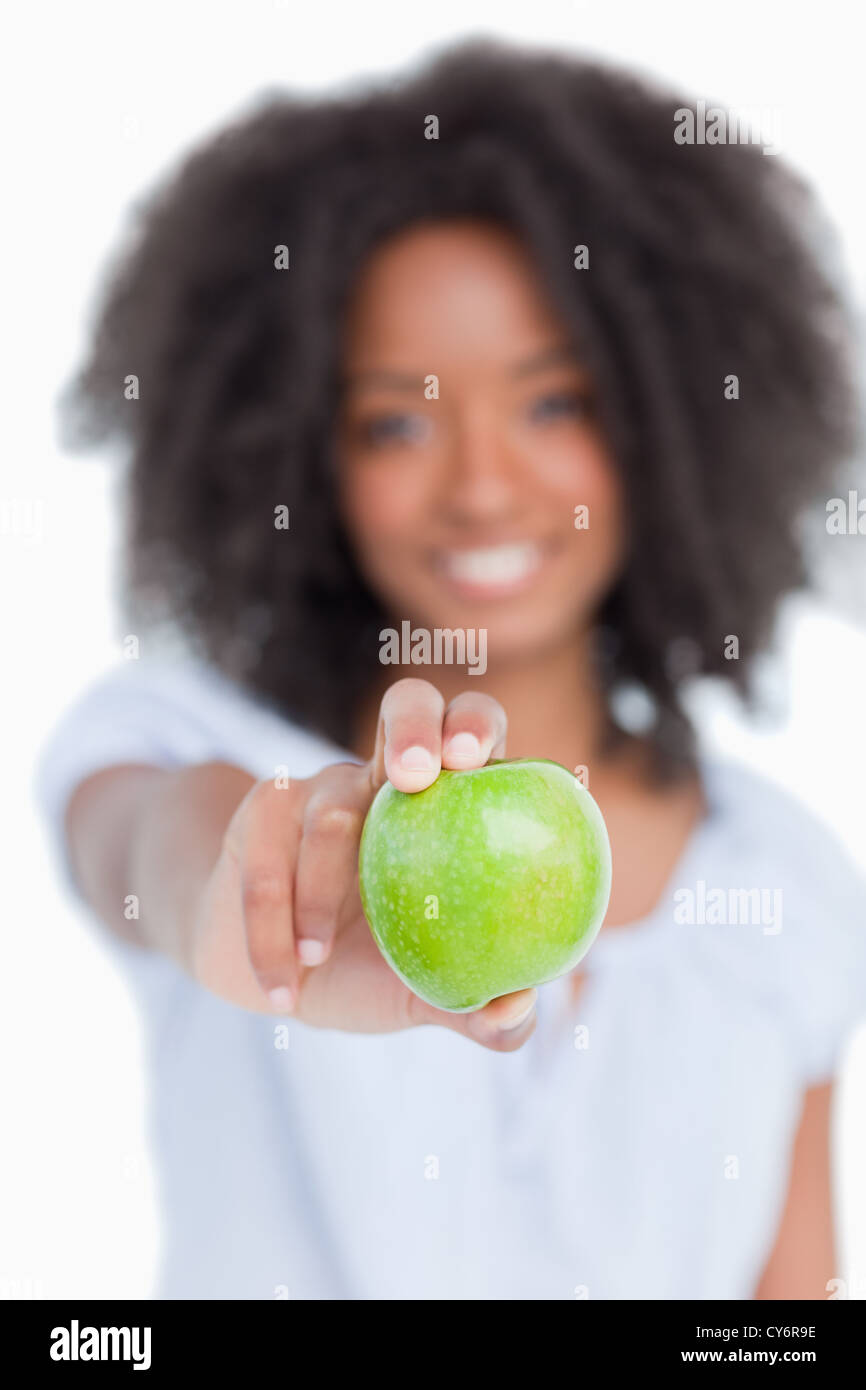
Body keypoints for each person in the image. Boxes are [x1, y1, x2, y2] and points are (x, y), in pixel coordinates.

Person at [39, 39, 866, 1299]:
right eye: (397, 421)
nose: (481, 485)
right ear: (294, 449)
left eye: (554, 405)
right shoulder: (179, 746)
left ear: (669, 422)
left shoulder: (783, 883)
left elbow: (786, 1311)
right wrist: (247, 903)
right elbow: (148, 850)